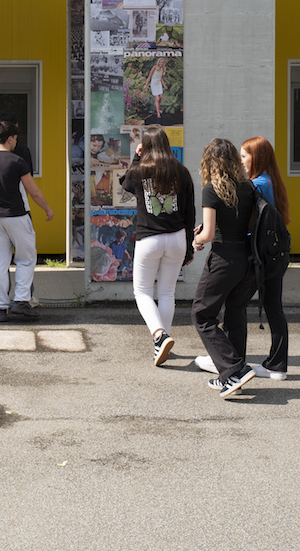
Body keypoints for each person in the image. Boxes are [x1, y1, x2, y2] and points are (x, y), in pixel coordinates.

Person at [119, 126, 194, 365]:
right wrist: (189, 247)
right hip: (176, 237)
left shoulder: (139, 171)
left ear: (146, 146)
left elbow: (124, 184)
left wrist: (136, 156)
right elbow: (189, 211)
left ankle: (159, 336)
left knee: (141, 291)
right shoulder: (182, 172)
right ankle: (162, 344)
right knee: (167, 292)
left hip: (149, 239)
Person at [191, 138, 258, 397]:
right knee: (235, 314)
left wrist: (196, 241)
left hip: (223, 259)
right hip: (247, 259)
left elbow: (207, 235)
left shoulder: (211, 189)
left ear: (210, 161)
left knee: (202, 315)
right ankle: (231, 375)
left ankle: (234, 369)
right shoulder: (248, 188)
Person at [0, 120, 53, 323]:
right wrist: (46, 208)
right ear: (10, 138)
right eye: (16, 139)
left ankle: (0, 307)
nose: (16, 143)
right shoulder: (17, 161)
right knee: (26, 259)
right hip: (17, 216)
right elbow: (33, 191)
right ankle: (21, 301)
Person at [240, 136, 292, 379]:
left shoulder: (256, 185)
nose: (240, 161)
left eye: (244, 156)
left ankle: (229, 359)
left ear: (256, 158)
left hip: (257, 255)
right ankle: (277, 364)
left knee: (234, 305)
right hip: (274, 254)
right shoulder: (272, 181)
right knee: (274, 308)